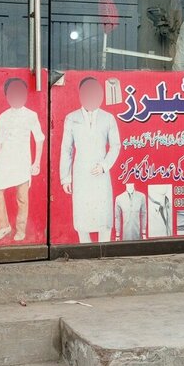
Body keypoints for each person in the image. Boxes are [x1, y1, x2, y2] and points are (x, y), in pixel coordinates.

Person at [60, 77, 121, 243]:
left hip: (101, 172)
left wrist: (104, 165)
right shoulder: (71, 118)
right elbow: (66, 149)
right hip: (81, 173)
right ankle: (85, 251)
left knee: (104, 217)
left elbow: (115, 145)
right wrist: (65, 177)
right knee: (82, 219)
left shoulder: (108, 118)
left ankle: (104, 251)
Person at [0, 77, 45, 243]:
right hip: (5, 159)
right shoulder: (3, 116)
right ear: (7, 96)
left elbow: (40, 139)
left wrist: (37, 162)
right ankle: (4, 226)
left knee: (22, 198)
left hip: (22, 161)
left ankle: (20, 229)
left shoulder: (31, 115)